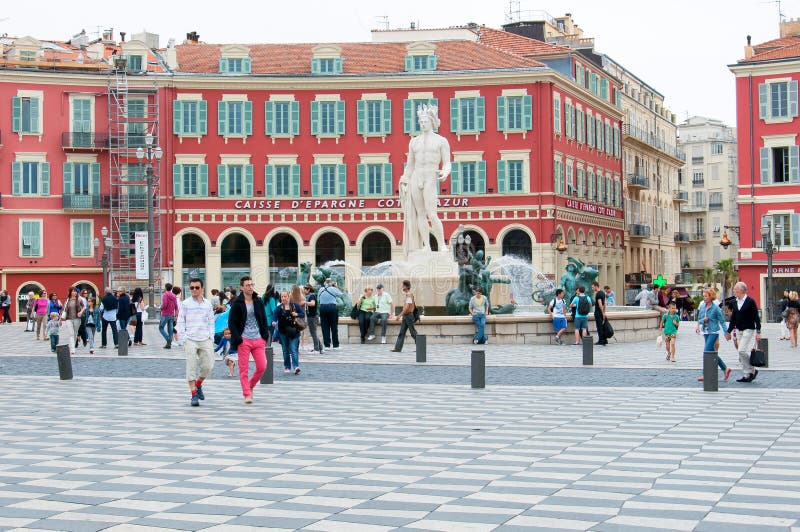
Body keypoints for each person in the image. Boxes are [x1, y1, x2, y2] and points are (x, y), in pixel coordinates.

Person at [398, 105, 451, 256]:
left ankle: (442, 245)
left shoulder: (441, 141)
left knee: (432, 213)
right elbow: (410, 165)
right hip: (416, 177)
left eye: (425, 121)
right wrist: (405, 180)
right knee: (420, 213)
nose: (422, 124)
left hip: (430, 177)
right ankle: (426, 245)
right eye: (420, 122)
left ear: (432, 122)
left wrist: (446, 170)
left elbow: (447, 162)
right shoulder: (413, 142)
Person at [227, 276, 271, 403]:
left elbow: (263, 318)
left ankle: (251, 385)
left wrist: (264, 336)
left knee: (262, 366)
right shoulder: (237, 303)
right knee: (243, 369)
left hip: (258, 339)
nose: (251, 287)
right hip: (244, 340)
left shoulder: (258, 300)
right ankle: (247, 394)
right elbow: (232, 322)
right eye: (248, 285)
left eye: (252, 284)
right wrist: (238, 338)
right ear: (242, 287)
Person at [176, 278, 215, 407]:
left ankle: (198, 384)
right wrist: (183, 338)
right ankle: (193, 395)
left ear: (202, 289)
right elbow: (180, 321)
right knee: (191, 367)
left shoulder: (207, 304)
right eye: (191, 287)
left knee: (208, 366)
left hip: (205, 338)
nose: (194, 290)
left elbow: (211, 321)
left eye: (197, 287)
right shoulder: (185, 304)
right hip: (190, 339)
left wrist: (211, 336)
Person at [725, 282, 762, 382]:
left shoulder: (750, 302)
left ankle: (752, 370)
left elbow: (756, 318)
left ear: (741, 290)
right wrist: (728, 332)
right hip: (738, 329)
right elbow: (733, 319)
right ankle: (747, 374)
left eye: (735, 289)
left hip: (749, 329)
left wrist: (758, 331)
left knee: (741, 350)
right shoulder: (733, 302)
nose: (734, 291)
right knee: (741, 352)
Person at [696, 288, 732, 382]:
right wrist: (701, 323)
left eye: (706, 296)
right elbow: (699, 319)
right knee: (712, 353)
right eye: (703, 296)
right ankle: (725, 369)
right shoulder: (703, 306)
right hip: (705, 332)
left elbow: (722, 321)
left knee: (706, 352)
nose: (704, 298)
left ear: (711, 297)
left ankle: (705, 374)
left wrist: (726, 332)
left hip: (713, 332)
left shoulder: (716, 308)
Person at [274, 289, 304, 374]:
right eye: (282, 296)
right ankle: (287, 366)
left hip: (294, 332)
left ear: (288, 297)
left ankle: (296, 367)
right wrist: (273, 321)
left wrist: (297, 314)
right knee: (285, 350)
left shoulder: (295, 306)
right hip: (283, 332)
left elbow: (302, 314)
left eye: (285, 296)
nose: (283, 298)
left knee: (293, 349)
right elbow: (275, 316)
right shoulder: (279, 308)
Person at [390, 280, 417, 352]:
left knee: (413, 332)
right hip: (406, 316)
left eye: (403, 285)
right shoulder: (408, 294)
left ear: (406, 286)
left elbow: (407, 307)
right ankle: (397, 348)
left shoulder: (409, 294)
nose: (402, 287)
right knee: (402, 332)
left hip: (408, 316)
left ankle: (421, 347)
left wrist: (399, 315)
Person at [318, 279, 342, 351]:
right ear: (331, 283)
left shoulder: (321, 289)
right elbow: (341, 295)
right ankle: (335, 345)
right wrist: (336, 287)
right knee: (334, 326)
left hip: (322, 307)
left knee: (325, 327)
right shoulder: (333, 289)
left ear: (325, 283)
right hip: (332, 307)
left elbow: (318, 298)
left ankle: (327, 345)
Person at [62, 287, 85, 352]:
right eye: (72, 291)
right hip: (68, 319)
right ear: (70, 292)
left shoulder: (79, 299)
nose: (74, 292)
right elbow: (64, 309)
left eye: (75, 291)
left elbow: (84, 307)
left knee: (75, 333)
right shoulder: (68, 300)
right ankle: (72, 349)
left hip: (77, 319)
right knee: (71, 334)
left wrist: (81, 312)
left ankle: (73, 345)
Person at [303, 284, 322, 354]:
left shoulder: (311, 296)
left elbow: (313, 303)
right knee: (314, 333)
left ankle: (316, 349)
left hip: (312, 317)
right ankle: (320, 348)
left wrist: (305, 302)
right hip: (312, 316)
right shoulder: (310, 296)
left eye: (305, 289)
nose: (304, 290)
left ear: (308, 290)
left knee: (313, 333)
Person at [159, 282, 178, 349]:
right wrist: (176, 316)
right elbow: (176, 307)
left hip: (165, 314)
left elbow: (165, 304)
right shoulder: (174, 296)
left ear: (166, 288)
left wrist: (161, 308)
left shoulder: (165, 295)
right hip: (172, 315)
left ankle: (168, 339)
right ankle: (169, 345)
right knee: (170, 330)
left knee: (161, 328)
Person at [592, 281, 608, 346]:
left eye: (593, 287)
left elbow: (600, 304)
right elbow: (605, 303)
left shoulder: (598, 294)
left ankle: (601, 340)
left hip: (598, 313)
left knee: (599, 327)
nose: (592, 289)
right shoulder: (603, 293)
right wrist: (604, 312)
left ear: (596, 286)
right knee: (602, 326)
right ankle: (604, 340)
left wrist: (602, 312)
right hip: (601, 313)